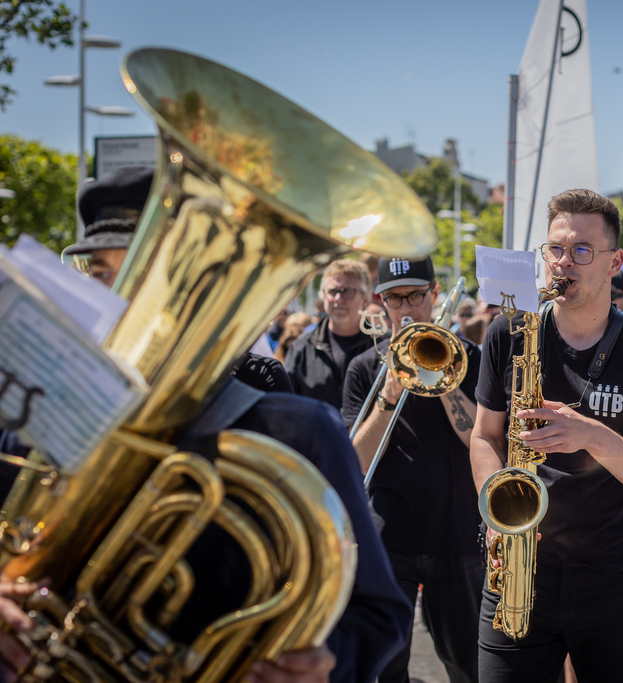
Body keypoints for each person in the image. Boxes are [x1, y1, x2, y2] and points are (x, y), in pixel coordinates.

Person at [0, 166, 413, 683]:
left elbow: (377, 615)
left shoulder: (296, 431)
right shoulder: (27, 425)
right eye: (105, 275)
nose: (125, 298)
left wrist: (327, 661)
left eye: (146, 273)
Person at [471, 189, 623, 683]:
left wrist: (591, 435)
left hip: (612, 581)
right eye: (555, 249)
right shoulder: (509, 331)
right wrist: (495, 504)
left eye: (583, 251)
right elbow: (485, 437)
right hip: (519, 569)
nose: (564, 263)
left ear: (615, 262)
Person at [343, 256, 484, 683]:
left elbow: (478, 439)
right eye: (394, 298)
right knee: (386, 665)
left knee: (468, 664)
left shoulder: (470, 358)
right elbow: (355, 462)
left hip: (456, 534)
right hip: (390, 537)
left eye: (416, 296)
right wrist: (387, 398)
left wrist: (442, 380)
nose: (406, 308)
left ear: (435, 294)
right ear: (380, 302)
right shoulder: (364, 367)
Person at [285, 259, 375, 409]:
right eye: (332, 291)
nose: (338, 299)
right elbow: (287, 405)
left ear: (366, 299)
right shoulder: (302, 347)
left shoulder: (383, 346)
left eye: (347, 291)